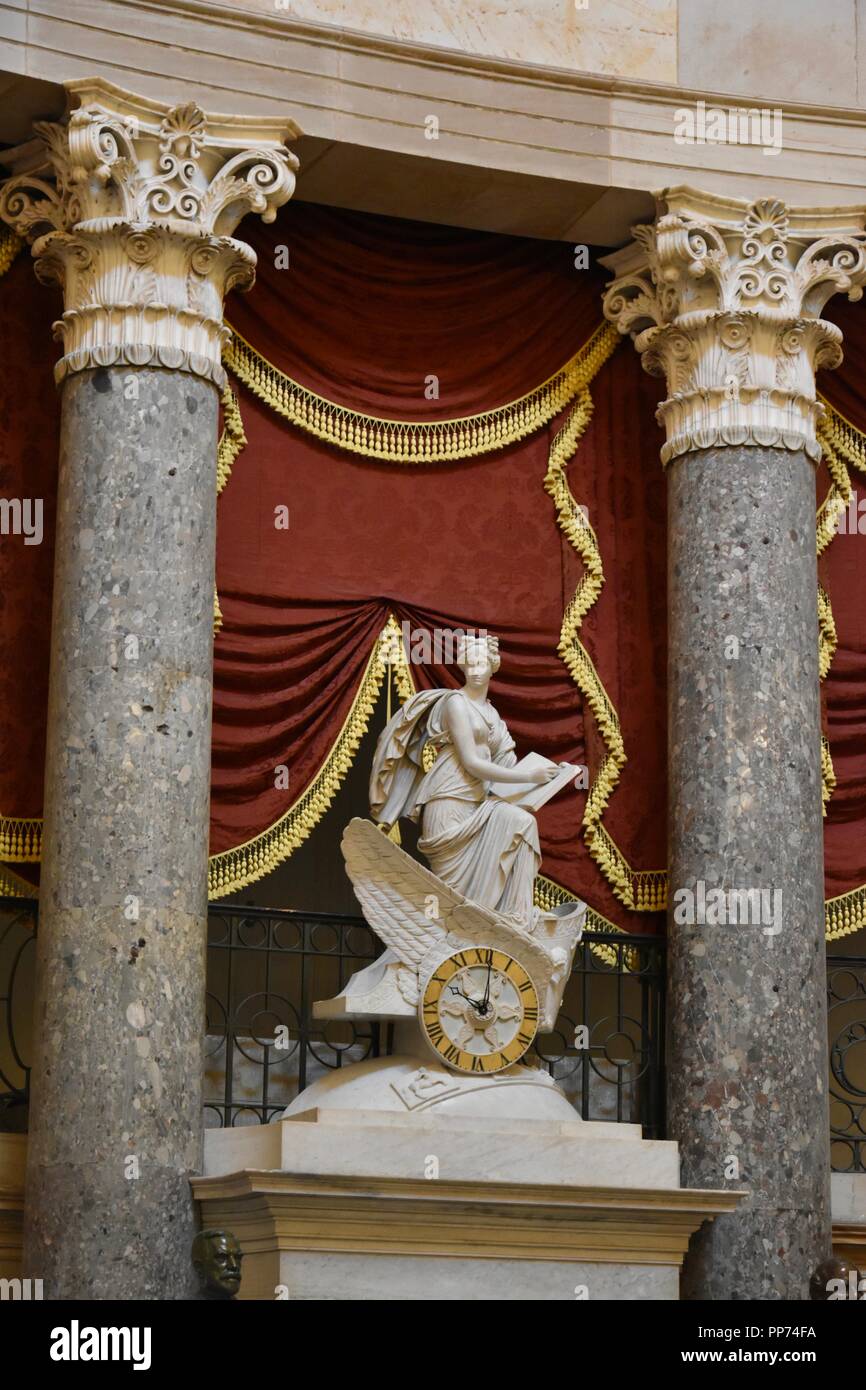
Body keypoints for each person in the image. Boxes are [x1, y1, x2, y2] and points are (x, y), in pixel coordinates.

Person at [370, 631, 566, 930]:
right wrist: (529, 776)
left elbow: (506, 764)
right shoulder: (455, 704)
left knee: (523, 824)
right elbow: (473, 763)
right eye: (470, 664)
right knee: (452, 900)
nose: (475, 670)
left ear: (493, 666)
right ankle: (474, 928)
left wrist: (552, 775)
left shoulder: (492, 715)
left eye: (481, 663)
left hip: (478, 805)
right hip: (448, 801)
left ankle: (517, 916)